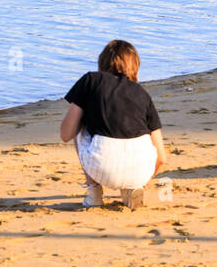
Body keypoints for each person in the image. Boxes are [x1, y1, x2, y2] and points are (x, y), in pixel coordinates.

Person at [60, 39, 168, 209]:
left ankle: (94, 192)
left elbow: (66, 134)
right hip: (140, 171)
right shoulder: (143, 94)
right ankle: (133, 187)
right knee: (139, 133)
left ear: (102, 62)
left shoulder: (90, 80)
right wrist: (145, 180)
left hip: (101, 167)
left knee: (79, 127)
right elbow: (162, 158)